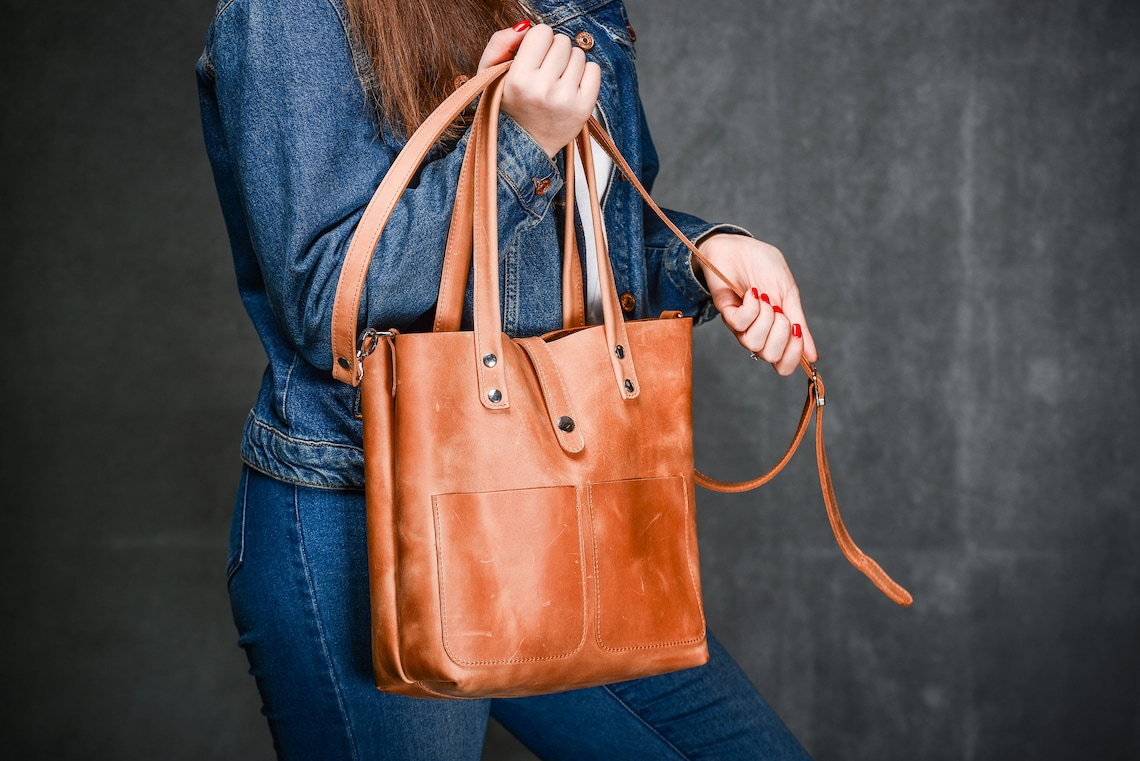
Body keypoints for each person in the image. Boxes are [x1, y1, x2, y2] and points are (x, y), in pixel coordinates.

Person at [198, 0, 817, 757]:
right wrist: (521, 142)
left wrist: (700, 254)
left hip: (557, 504)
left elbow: (590, 237)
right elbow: (328, 297)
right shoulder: (290, 12)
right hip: (362, 522)